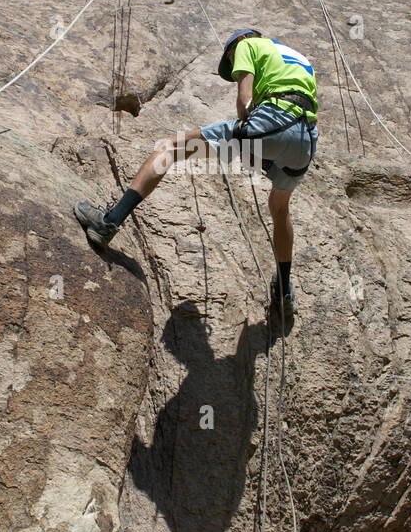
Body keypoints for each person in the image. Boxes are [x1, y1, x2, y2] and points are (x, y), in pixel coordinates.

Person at [73, 30, 318, 319]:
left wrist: (246, 133)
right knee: (279, 207)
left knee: (170, 148)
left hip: (273, 120)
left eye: (230, 60)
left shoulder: (247, 45)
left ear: (236, 46)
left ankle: (108, 223)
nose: (232, 64)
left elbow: (244, 101)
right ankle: (284, 290)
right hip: (306, 140)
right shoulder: (300, 60)